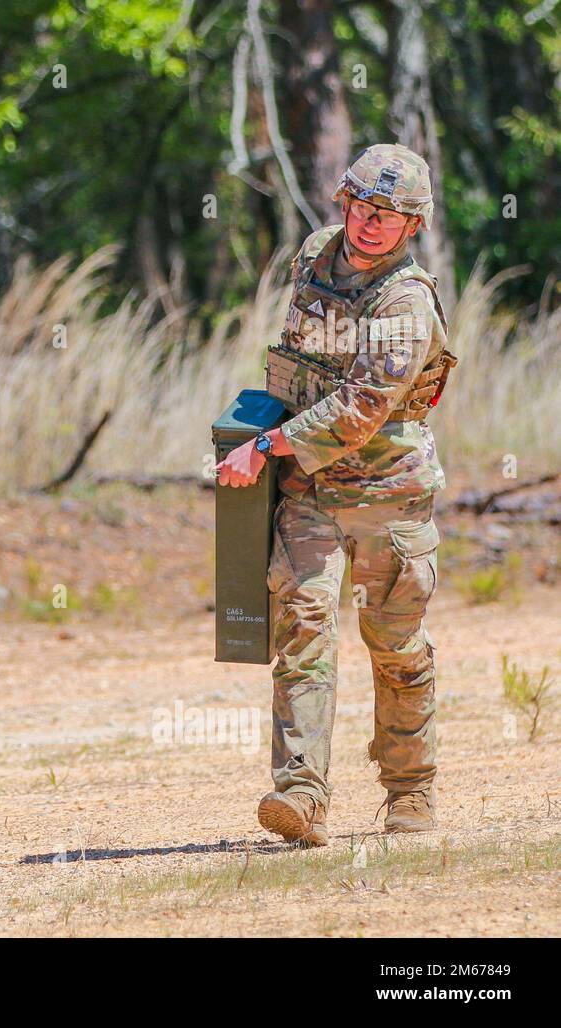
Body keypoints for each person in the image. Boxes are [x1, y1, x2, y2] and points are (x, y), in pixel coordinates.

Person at [216, 143, 456, 846]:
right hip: (312, 487)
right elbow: (296, 360)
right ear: (343, 201)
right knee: (303, 630)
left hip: (390, 491)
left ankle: (411, 793)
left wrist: (263, 446)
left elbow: (359, 410)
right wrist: (263, 422)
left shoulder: (407, 300)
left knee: (397, 646)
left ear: (414, 226)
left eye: (394, 215)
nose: (375, 223)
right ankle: (301, 795)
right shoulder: (316, 257)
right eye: (366, 206)